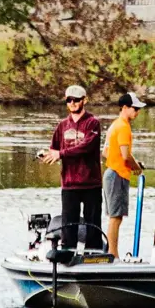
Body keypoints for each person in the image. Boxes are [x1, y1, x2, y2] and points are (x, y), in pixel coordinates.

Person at [39, 84, 102, 249]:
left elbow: (86, 147)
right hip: (69, 183)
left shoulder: (93, 123)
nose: (73, 103)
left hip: (91, 183)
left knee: (93, 224)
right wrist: (46, 155)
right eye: (69, 100)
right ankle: (67, 255)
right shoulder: (62, 126)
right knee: (69, 226)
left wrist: (60, 154)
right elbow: (54, 149)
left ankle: (94, 255)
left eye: (76, 100)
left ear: (84, 100)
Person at [102, 91, 145, 257]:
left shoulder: (115, 125)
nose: (137, 112)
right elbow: (126, 156)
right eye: (135, 108)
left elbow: (106, 152)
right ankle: (113, 255)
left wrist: (131, 163)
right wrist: (136, 167)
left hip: (111, 173)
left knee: (115, 217)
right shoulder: (124, 127)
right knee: (116, 217)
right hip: (117, 175)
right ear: (125, 107)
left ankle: (111, 252)